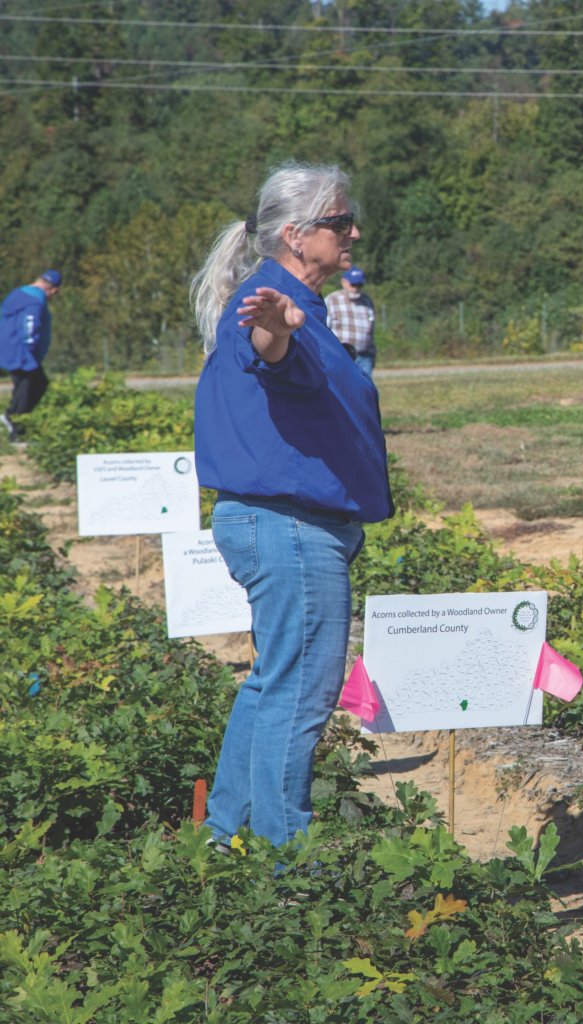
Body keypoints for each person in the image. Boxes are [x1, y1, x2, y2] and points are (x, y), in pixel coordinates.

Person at [189, 162, 392, 849]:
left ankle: (225, 837)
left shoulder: (292, 302)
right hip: (291, 529)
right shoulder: (271, 305)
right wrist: (277, 328)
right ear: (296, 235)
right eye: (341, 221)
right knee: (302, 691)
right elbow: (270, 350)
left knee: (274, 684)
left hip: (280, 526)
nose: (353, 232)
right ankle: (286, 868)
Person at [0, 269, 62, 441]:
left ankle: (14, 421)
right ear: (53, 290)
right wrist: (30, 345)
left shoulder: (19, 293)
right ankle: (15, 424)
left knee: (25, 385)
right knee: (35, 383)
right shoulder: (36, 299)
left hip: (11, 346)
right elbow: (30, 323)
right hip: (22, 350)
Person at [325, 266, 377, 378]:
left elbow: (371, 331)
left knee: (365, 388)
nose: (356, 288)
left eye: (359, 284)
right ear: (343, 282)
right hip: (341, 356)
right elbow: (324, 330)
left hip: (364, 357)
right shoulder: (332, 300)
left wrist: (372, 354)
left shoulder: (367, 301)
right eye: (353, 284)